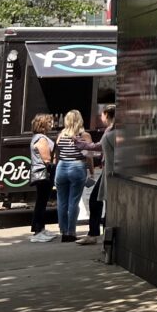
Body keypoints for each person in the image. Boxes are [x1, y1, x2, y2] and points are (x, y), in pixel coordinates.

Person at [79, 104, 117, 246]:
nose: (100, 117)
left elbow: (100, 146)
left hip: (110, 171)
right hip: (108, 169)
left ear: (107, 115)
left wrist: (84, 146)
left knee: (100, 201)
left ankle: (99, 235)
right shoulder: (111, 130)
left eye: (102, 114)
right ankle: (96, 234)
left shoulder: (111, 132)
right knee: (99, 201)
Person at [53, 110, 91, 243]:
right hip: (77, 166)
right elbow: (88, 155)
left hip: (61, 167)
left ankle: (63, 231)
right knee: (73, 202)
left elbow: (57, 154)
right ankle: (71, 232)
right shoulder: (84, 135)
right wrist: (90, 171)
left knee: (61, 202)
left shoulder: (61, 135)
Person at [29, 114, 57, 243]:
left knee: (42, 202)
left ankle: (41, 228)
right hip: (43, 174)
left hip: (40, 173)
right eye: (49, 122)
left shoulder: (37, 137)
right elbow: (46, 159)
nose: (52, 124)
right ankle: (38, 230)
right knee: (41, 202)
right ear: (43, 125)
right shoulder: (41, 139)